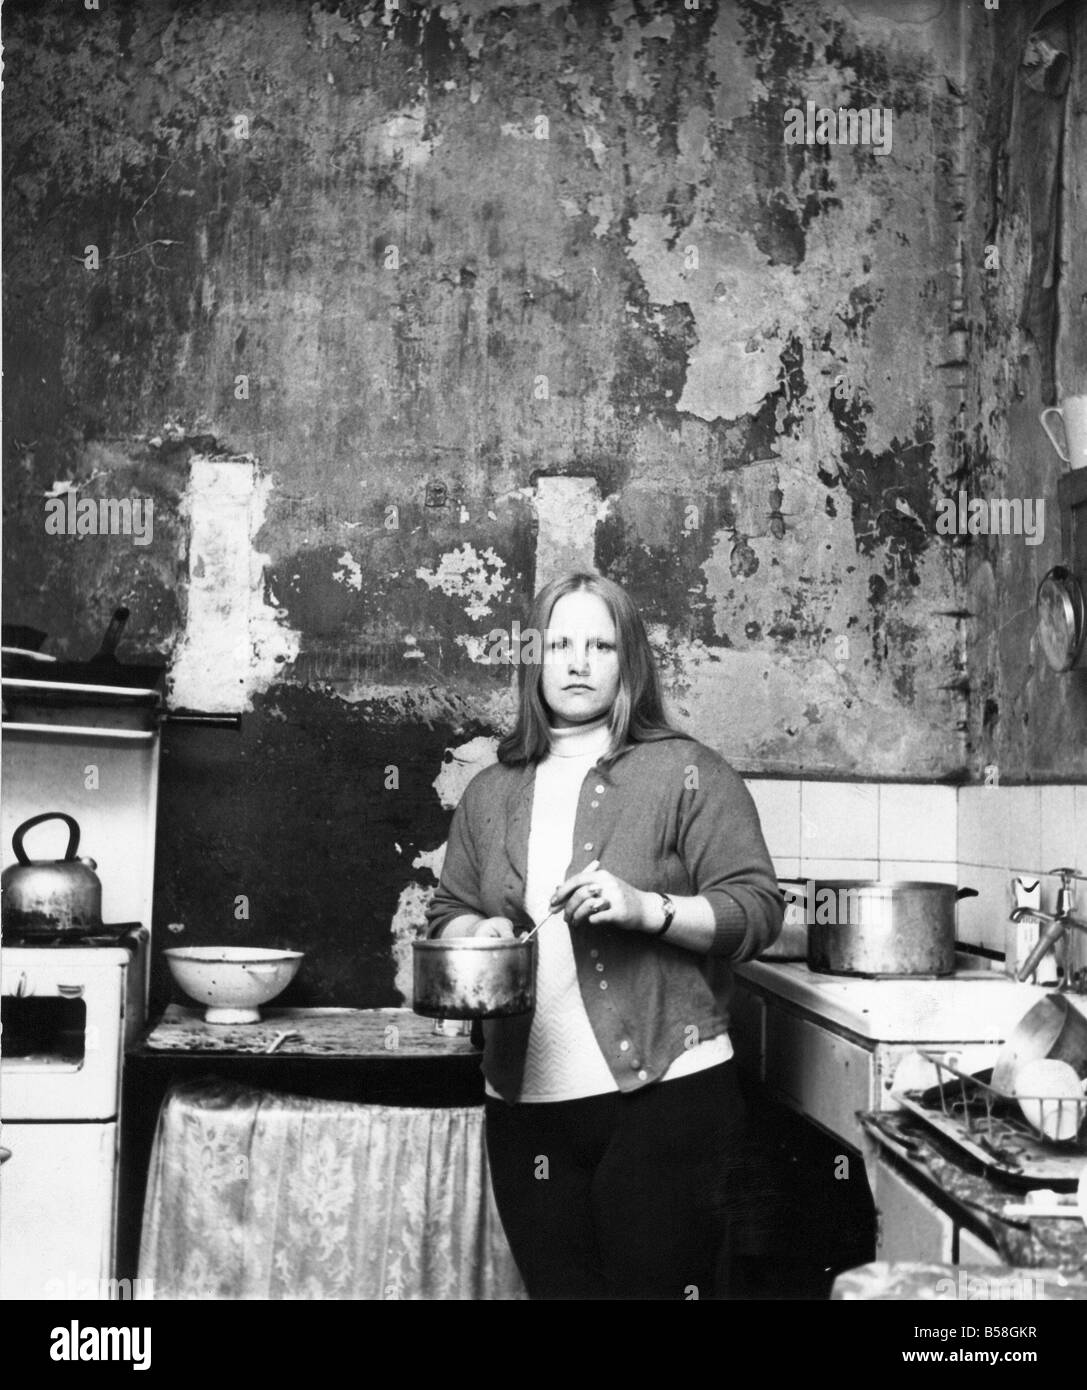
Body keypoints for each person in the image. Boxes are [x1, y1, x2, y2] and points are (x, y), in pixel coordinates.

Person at [426, 571, 783, 1300]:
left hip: (667, 1100)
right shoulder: (490, 792)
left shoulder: (688, 772)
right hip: (525, 1108)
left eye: (601, 645)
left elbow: (756, 910)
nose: (578, 663)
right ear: (534, 660)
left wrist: (648, 909)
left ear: (629, 661)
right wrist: (479, 927)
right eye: (559, 644)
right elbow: (447, 911)